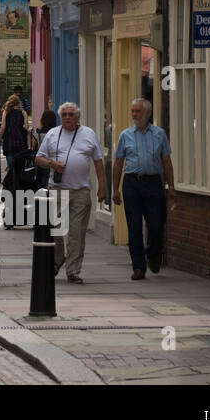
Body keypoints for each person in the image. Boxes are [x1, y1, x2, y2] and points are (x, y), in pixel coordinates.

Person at [34, 103, 107, 284]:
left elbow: (98, 162)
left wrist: (102, 187)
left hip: (81, 190)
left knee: (76, 232)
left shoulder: (89, 134)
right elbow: (38, 158)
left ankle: (73, 271)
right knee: (56, 229)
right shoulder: (52, 134)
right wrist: (52, 163)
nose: (67, 117)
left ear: (77, 117)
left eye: (71, 114)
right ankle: (58, 259)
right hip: (57, 189)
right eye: (64, 114)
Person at [113, 98, 175, 280]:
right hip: (131, 182)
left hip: (153, 182)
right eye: (133, 111)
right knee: (134, 227)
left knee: (156, 224)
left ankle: (153, 253)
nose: (134, 115)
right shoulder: (125, 135)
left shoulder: (159, 134)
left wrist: (172, 187)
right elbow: (118, 163)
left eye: (138, 111)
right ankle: (138, 267)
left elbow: (166, 161)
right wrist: (115, 189)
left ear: (148, 113)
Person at [0, 95, 31, 227]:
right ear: (18, 103)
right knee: (19, 172)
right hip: (20, 144)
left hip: (9, 143)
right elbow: (26, 127)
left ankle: (12, 197)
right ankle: (19, 198)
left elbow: (3, 127)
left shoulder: (6, 112)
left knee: (12, 170)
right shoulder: (23, 112)